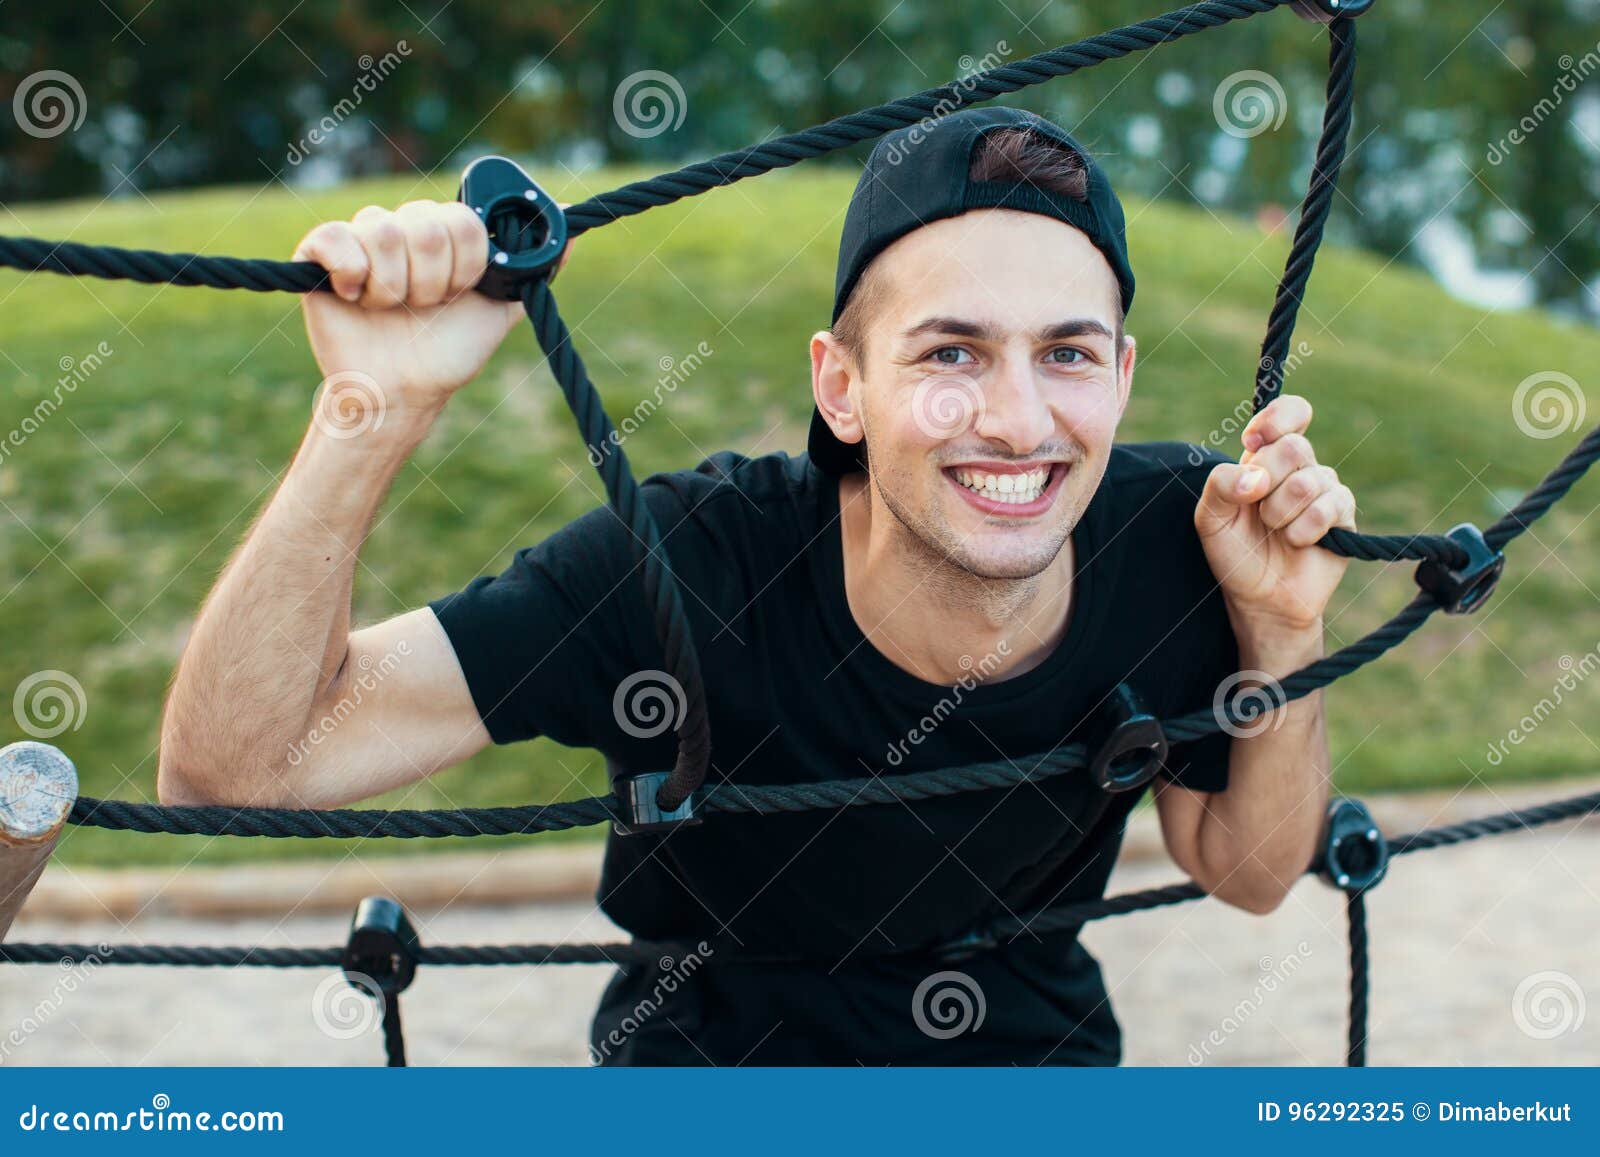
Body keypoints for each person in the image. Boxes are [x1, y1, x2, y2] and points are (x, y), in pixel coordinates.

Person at [157, 106, 1358, 1065]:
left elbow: (1247, 871)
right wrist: (375, 410)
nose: (1017, 418)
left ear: (1122, 374)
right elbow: (234, 772)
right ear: (841, 387)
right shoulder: (685, 566)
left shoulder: (1179, 532)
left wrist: (1278, 620)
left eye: (1066, 353)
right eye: (950, 352)